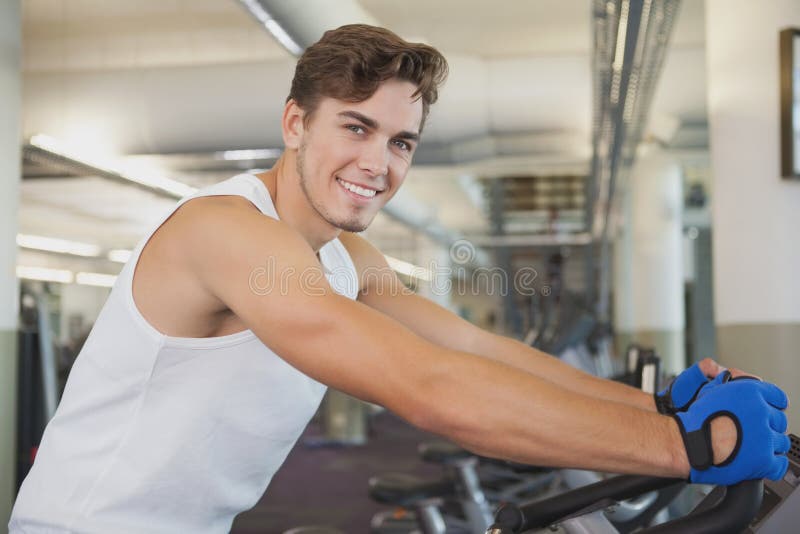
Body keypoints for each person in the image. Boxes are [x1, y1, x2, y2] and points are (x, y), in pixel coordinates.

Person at [9, 24, 789, 534]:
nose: (378, 164)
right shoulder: (224, 232)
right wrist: (684, 444)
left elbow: (470, 351)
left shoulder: (352, 262)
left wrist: (658, 402)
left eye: (402, 142)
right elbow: (432, 389)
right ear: (294, 123)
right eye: (356, 127)